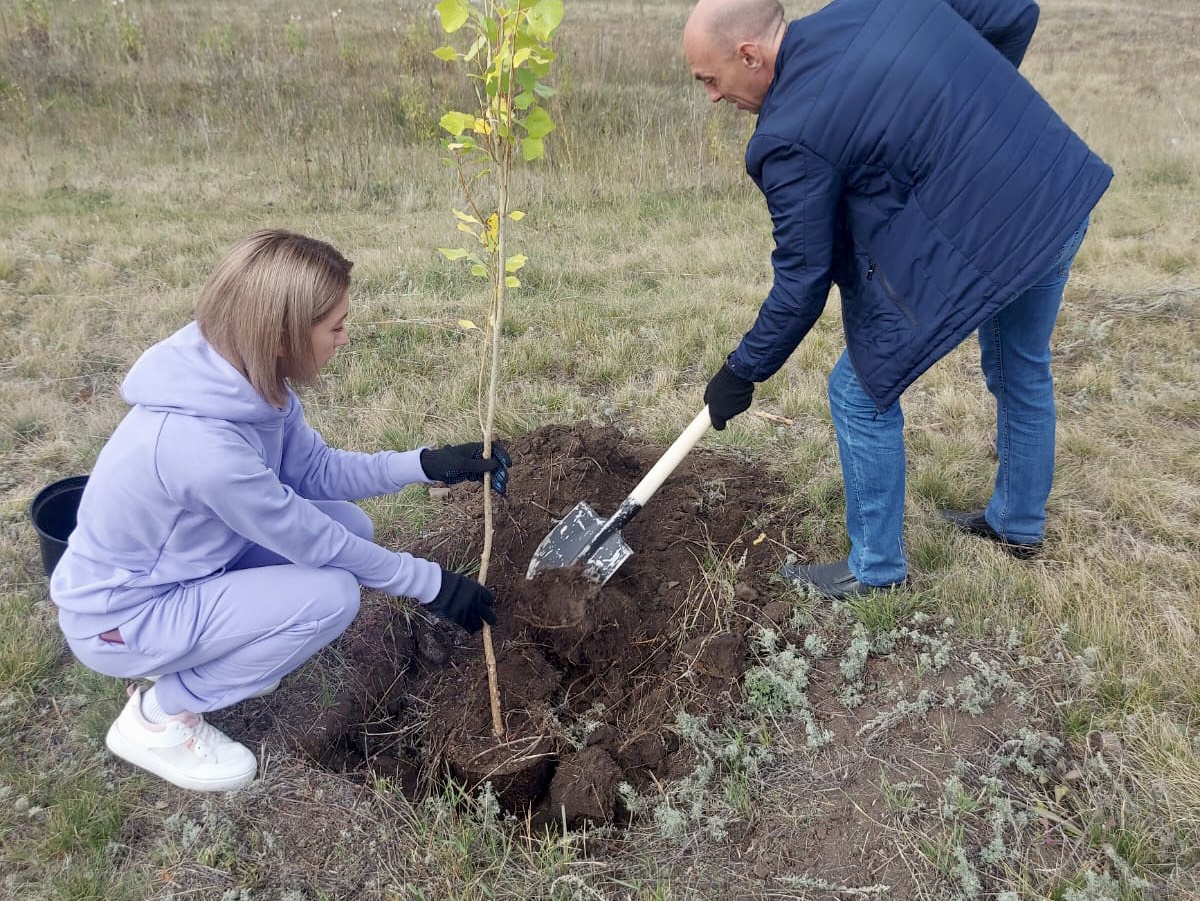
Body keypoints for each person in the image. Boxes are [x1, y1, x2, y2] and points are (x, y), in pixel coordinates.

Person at [50, 229, 509, 792]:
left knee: (351, 524)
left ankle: (214, 647)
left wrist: (426, 464)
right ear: (279, 334)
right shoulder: (202, 449)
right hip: (122, 617)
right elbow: (311, 542)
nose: (345, 338)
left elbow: (314, 472)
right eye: (334, 326)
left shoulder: (241, 377)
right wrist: (431, 584)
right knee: (331, 597)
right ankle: (161, 712)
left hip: (187, 569)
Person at [684, 0, 1112, 598]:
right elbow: (1014, 12)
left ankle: (875, 569)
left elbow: (802, 281)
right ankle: (1018, 525)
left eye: (708, 78)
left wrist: (741, 372)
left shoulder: (786, 137)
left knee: (857, 393)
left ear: (749, 55)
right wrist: (975, 120)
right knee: (1021, 364)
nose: (710, 96)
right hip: (1056, 189)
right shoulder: (875, 5)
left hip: (1002, 228)